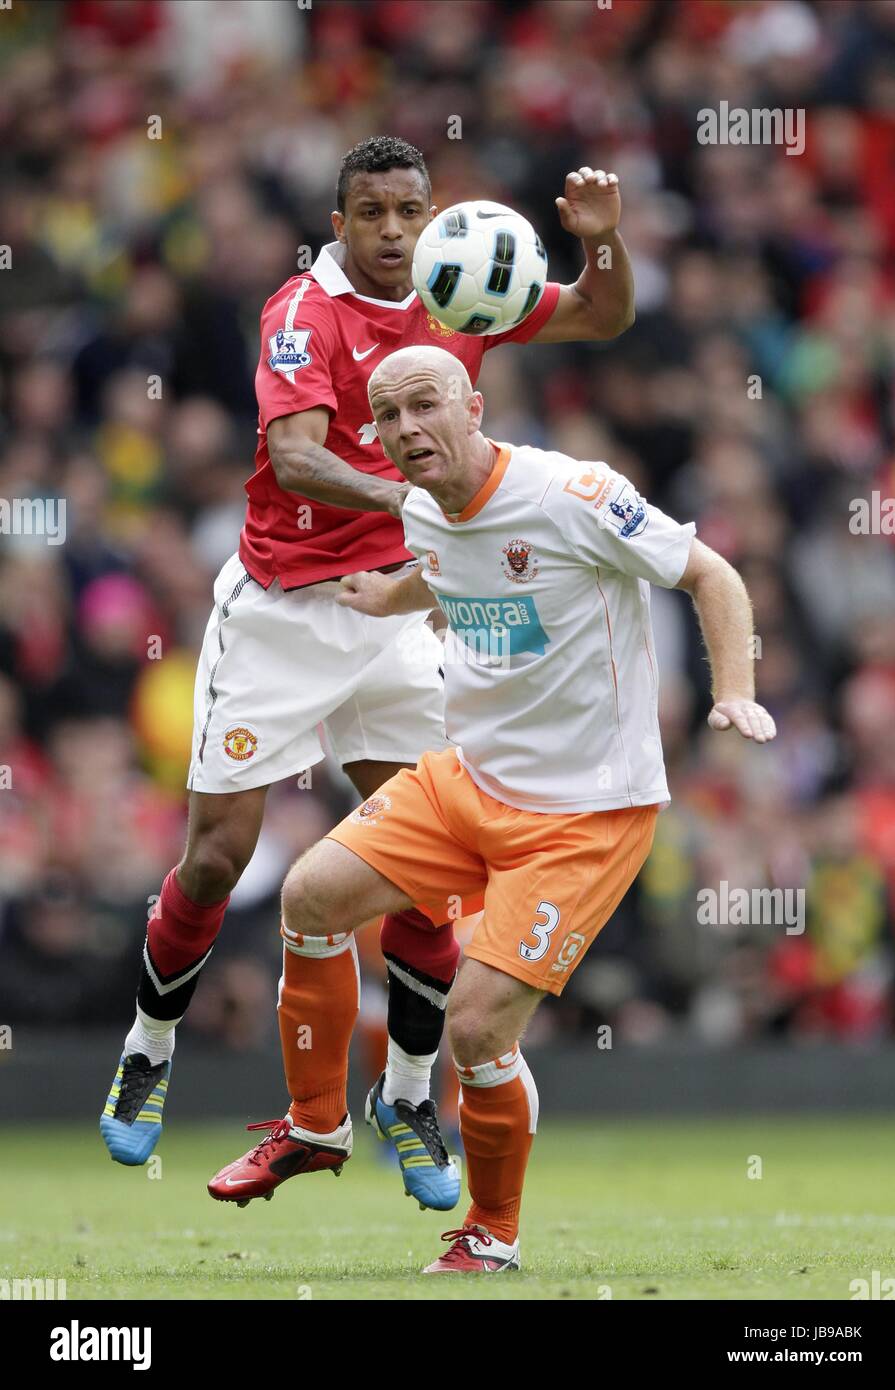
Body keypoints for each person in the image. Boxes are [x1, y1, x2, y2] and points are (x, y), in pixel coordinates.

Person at [100, 135, 640, 1215]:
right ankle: (150, 1045)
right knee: (218, 856)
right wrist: (420, 502)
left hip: (395, 612)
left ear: (430, 213)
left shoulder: (459, 289)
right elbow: (296, 458)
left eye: (408, 209)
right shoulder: (303, 313)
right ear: (338, 221)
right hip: (282, 612)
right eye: (371, 212)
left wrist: (606, 242)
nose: (393, 231)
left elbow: (601, 314)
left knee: (427, 867)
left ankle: (403, 1095)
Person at [208, 343, 776, 1270]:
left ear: (474, 406)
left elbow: (711, 574)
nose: (404, 431)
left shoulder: (573, 495)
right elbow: (445, 566)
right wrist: (389, 595)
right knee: (309, 899)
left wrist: (734, 691)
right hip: (464, 782)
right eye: (387, 418)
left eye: (424, 406)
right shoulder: (425, 507)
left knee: (475, 1026)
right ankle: (316, 1128)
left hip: (585, 816)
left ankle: (493, 1233)